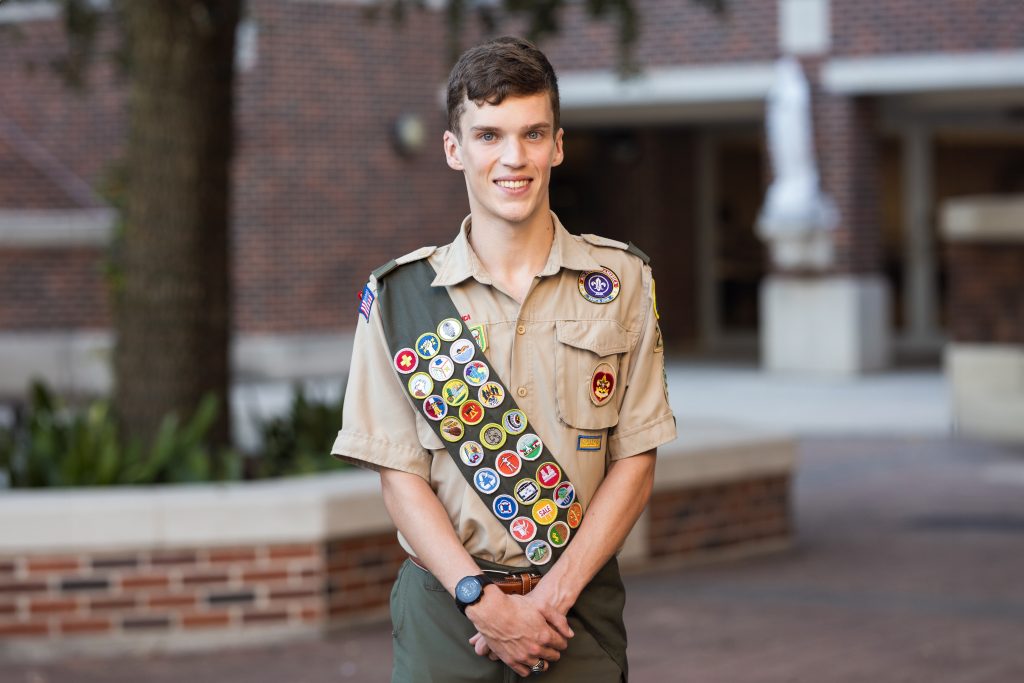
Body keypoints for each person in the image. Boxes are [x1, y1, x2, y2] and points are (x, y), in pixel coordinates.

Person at [332, 36, 676, 682]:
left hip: (575, 608)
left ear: (558, 145)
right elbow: (399, 477)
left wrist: (548, 599)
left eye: (532, 133)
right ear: (454, 149)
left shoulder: (622, 281)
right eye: (489, 135)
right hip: (446, 609)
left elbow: (636, 459)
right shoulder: (400, 299)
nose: (513, 158)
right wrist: (482, 602)